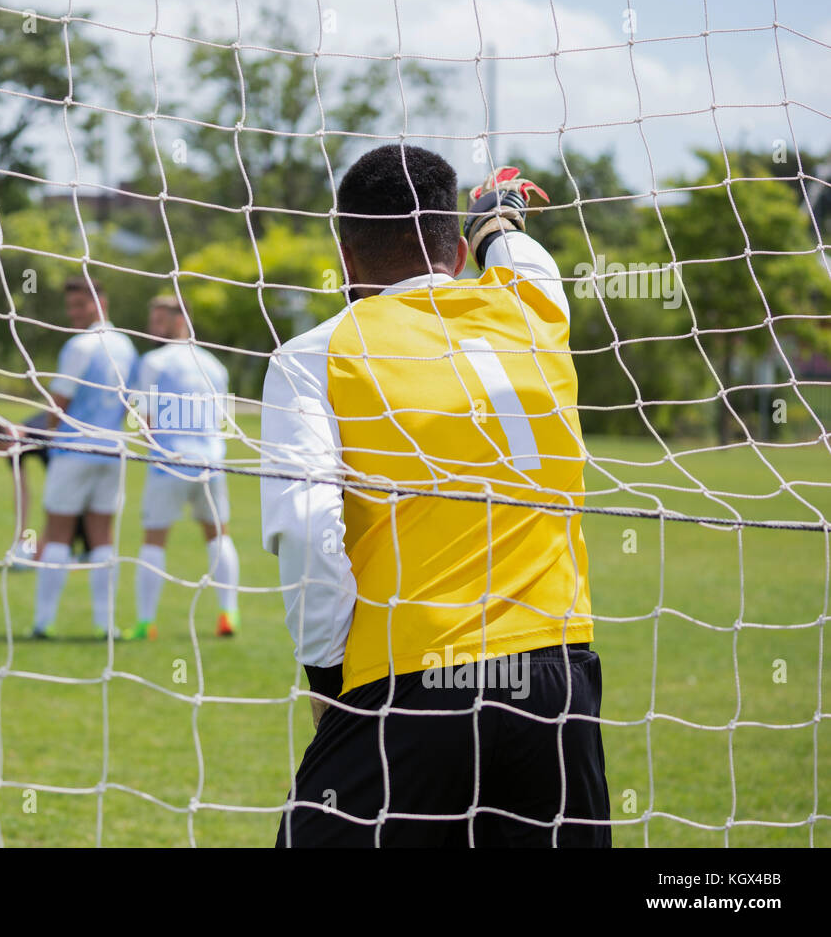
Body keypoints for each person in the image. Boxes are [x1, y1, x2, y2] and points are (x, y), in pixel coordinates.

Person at [260, 145, 610, 847]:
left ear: (346, 256)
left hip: (413, 681)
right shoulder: (534, 315)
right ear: (453, 250)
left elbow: (307, 530)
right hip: (557, 680)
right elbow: (524, 260)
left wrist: (329, 679)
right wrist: (496, 224)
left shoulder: (313, 355)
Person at [125, 295, 240, 642]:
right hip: (211, 463)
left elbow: (143, 419)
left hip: (169, 464)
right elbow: (223, 419)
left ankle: (146, 623)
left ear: (180, 319)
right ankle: (228, 612)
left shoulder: (153, 362)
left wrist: (150, 450)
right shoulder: (214, 364)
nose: (152, 327)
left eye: (160, 320)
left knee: (154, 539)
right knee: (218, 534)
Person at [29, 275, 137, 639]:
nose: (73, 313)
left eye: (80, 305)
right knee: (103, 538)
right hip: (112, 452)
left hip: (74, 449)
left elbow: (58, 402)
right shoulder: (126, 346)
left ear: (100, 303)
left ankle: (43, 623)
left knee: (57, 534)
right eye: (70, 306)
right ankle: (105, 626)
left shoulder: (80, 346)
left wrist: (47, 433)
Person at [0, 411, 91, 569]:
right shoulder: (15, 448)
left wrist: (42, 542)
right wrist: (22, 534)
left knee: (71, 508)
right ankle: (68, 553)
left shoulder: (45, 434)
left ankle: (80, 552)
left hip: (82, 459)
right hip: (65, 472)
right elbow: (21, 491)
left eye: (1, 447)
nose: (3, 453)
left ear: (8, 433)